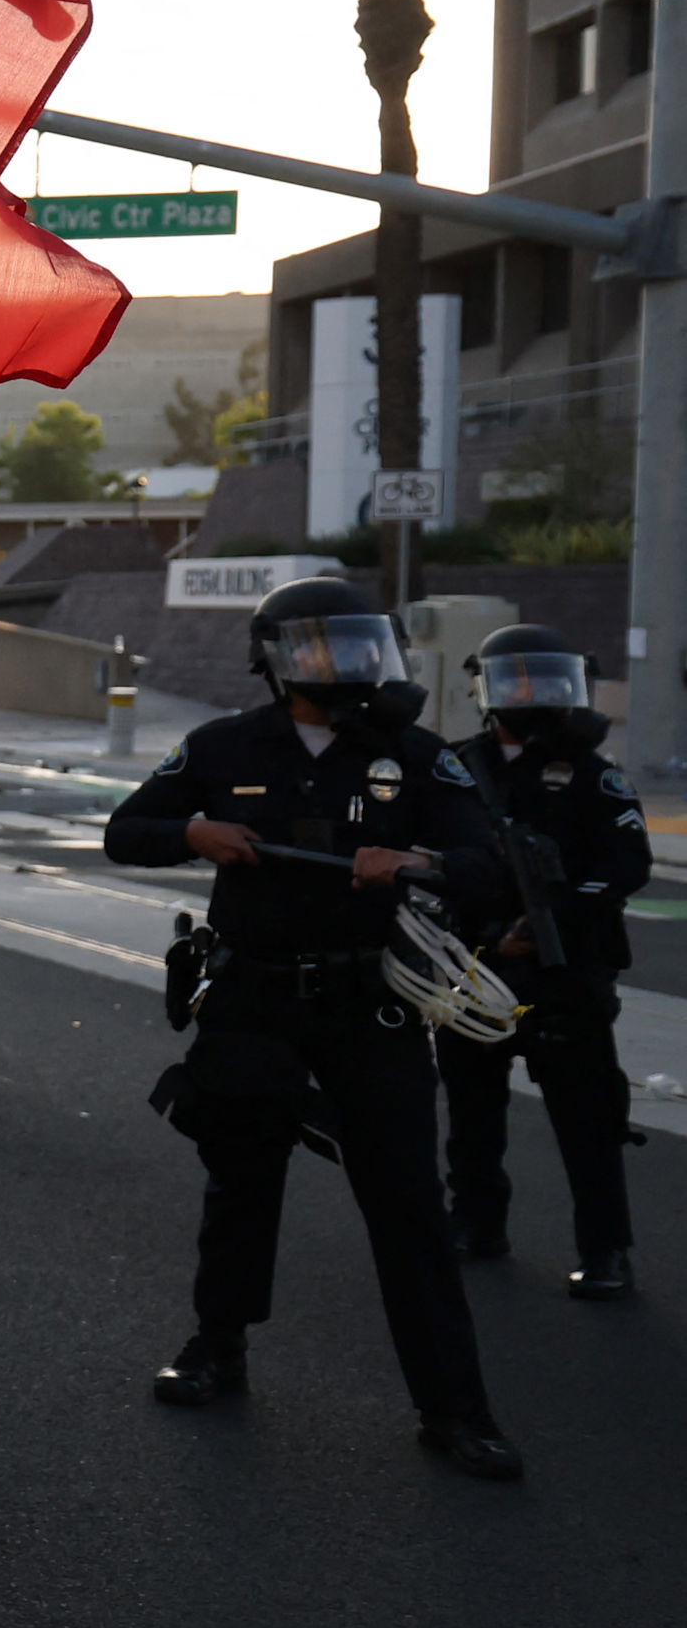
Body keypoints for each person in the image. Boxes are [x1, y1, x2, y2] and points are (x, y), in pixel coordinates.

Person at [101, 578, 524, 1477]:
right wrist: (194, 833)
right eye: (321, 648)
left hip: (372, 1008)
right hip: (255, 1001)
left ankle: (455, 1408)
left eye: (359, 646)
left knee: (410, 1208)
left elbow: (488, 868)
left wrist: (415, 860)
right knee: (240, 1183)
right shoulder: (223, 747)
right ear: (275, 658)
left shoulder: (417, 757)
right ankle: (219, 1346)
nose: (344, 665)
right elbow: (124, 830)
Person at [443, 622, 646, 1299]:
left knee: (588, 1122)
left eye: (544, 678)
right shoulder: (457, 767)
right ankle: (475, 1223)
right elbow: (431, 860)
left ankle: (607, 1249)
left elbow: (627, 863)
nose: (531, 693)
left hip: (565, 972)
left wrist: (556, 916)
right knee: (472, 1111)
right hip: (478, 963)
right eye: (515, 679)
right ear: (487, 689)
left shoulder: (590, 774)